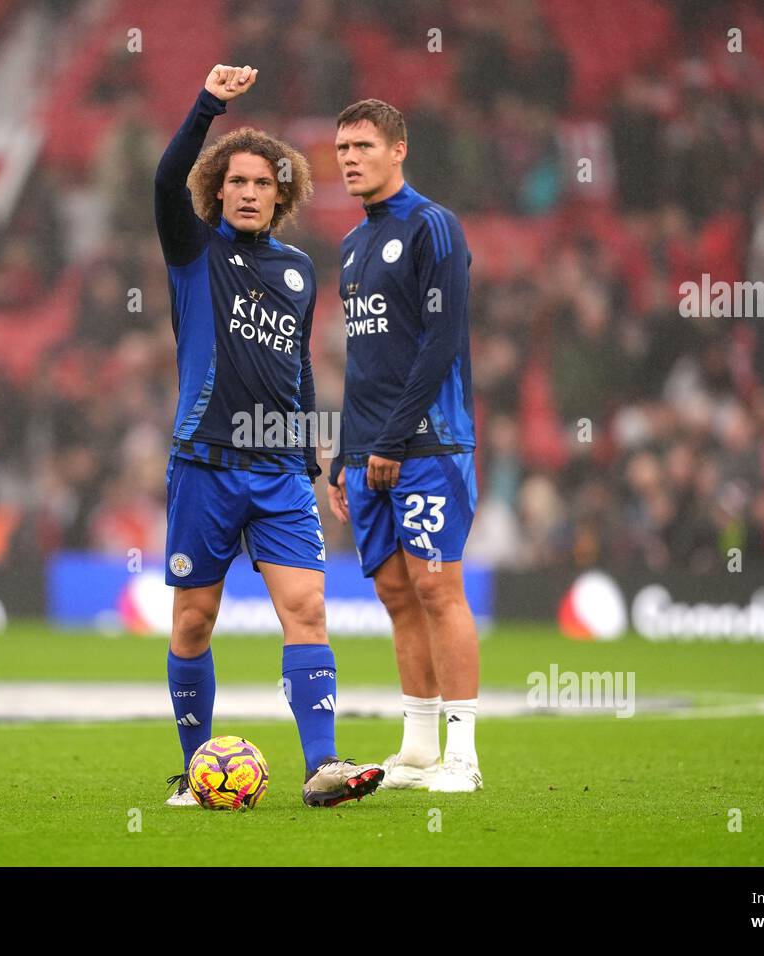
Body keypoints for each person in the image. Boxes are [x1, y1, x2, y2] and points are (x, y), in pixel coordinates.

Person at [156, 65, 383, 807]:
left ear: (281, 195)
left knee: (309, 609)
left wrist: (324, 454)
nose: (250, 191)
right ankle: (197, 773)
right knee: (194, 621)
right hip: (205, 465)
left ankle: (323, 767)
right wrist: (207, 105)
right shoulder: (193, 252)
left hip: (280, 472)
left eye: (264, 183)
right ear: (216, 190)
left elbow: (298, 369)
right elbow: (165, 180)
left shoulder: (296, 271)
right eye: (237, 181)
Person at [327, 99, 482, 792]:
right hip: (370, 450)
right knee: (394, 592)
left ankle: (464, 756)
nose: (349, 158)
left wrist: (391, 438)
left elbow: (439, 341)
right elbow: (366, 362)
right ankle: (418, 749)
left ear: (399, 149)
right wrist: (345, 452)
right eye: (340, 148)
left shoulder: (433, 227)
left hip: (428, 443)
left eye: (362, 144)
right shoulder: (353, 246)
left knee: (436, 586)